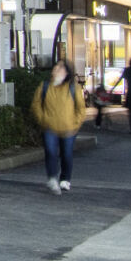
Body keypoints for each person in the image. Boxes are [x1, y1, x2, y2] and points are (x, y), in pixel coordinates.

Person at [34, 58, 87, 195]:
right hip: (50, 127)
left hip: (69, 128)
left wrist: (75, 123)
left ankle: (65, 178)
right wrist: (43, 119)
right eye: (56, 68)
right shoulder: (45, 86)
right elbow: (36, 105)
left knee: (66, 154)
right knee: (51, 152)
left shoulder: (73, 87)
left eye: (61, 68)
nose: (57, 70)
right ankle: (52, 178)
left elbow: (81, 108)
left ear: (67, 72)